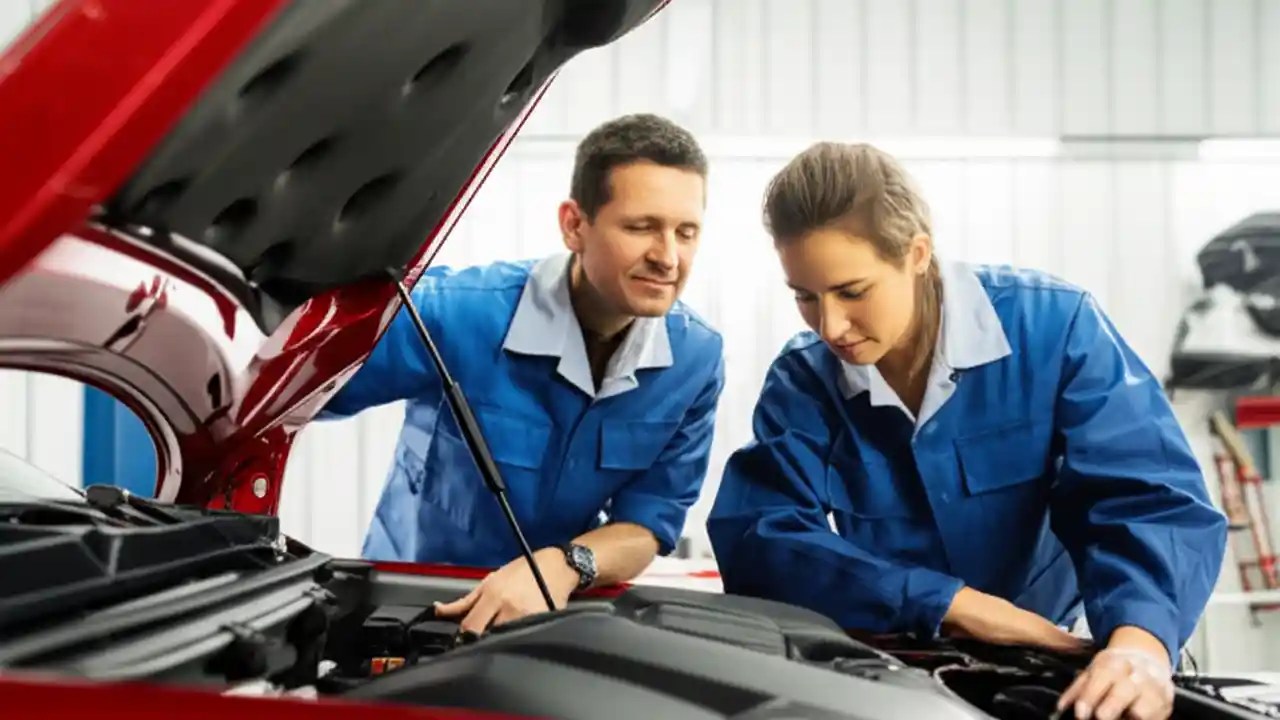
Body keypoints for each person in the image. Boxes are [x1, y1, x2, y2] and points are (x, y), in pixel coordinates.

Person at [707, 142, 1227, 720]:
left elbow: (1148, 497)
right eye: (805, 296)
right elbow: (762, 538)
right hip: (902, 669)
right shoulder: (805, 380)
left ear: (916, 253)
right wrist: (952, 605)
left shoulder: (1054, 329)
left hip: (1068, 653)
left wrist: (1140, 644)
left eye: (852, 291)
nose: (829, 326)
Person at [324, 113, 724, 634]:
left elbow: (647, 524)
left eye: (686, 232)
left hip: (551, 615)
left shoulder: (696, 359)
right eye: (641, 227)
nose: (668, 257)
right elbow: (291, 398)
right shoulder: (456, 314)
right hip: (415, 608)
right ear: (574, 225)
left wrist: (564, 564)